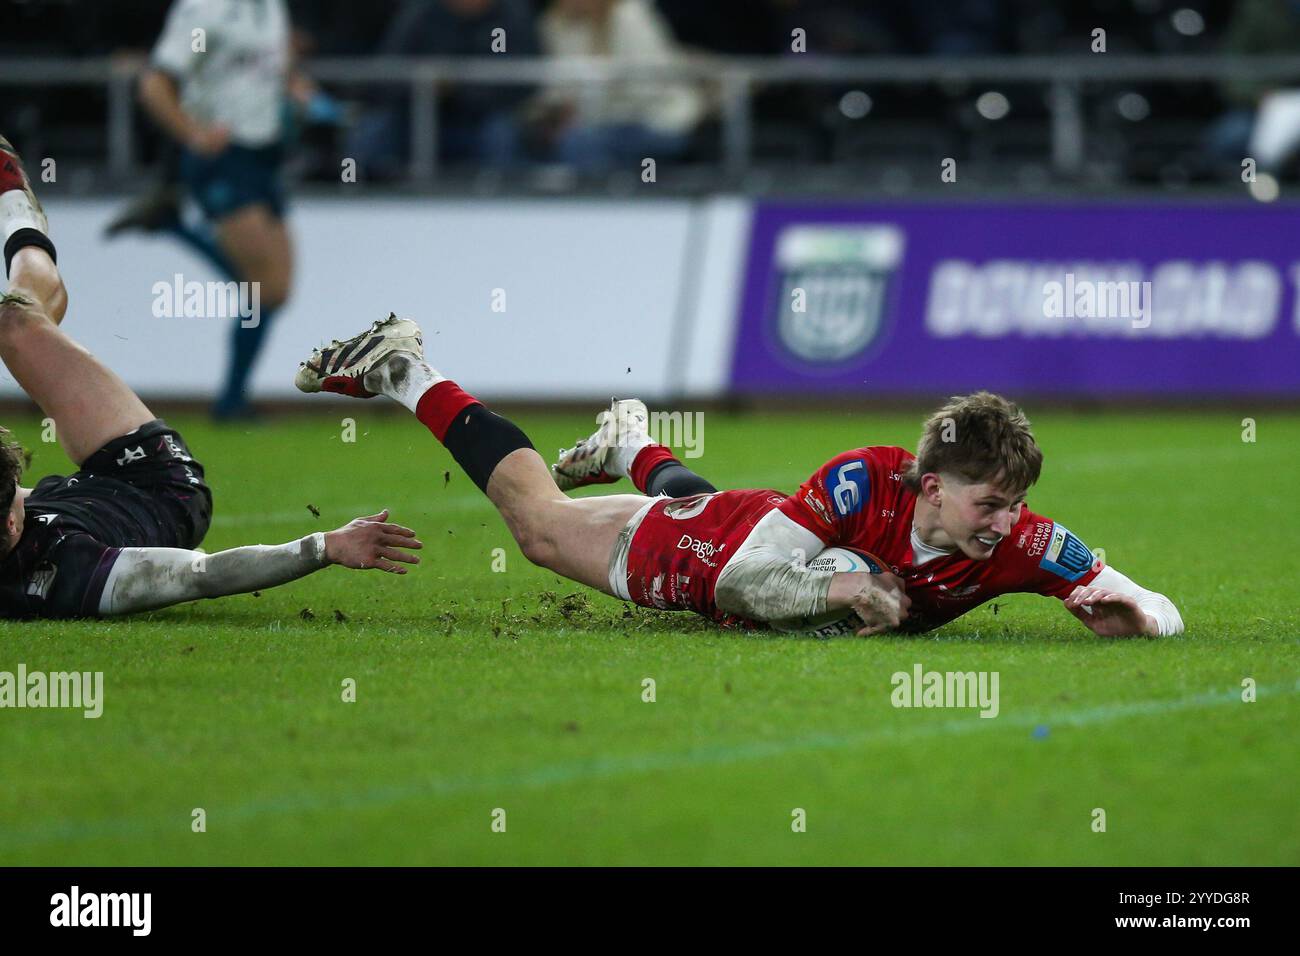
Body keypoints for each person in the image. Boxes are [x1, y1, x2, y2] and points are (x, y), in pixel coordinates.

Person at [294, 314, 1183, 638]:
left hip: (750, 519)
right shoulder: (861, 484)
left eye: (1014, 505)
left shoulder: (1022, 542)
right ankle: (406, 369)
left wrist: (1135, 617)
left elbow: (1157, 606)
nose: (1003, 522)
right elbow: (745, 577)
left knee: (705, 500)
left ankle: (629, 438)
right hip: (717, 551)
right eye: (989, 503)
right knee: (539, 527)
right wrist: (849, 595)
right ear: (930, 486)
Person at [0, 136, 421, 619]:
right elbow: (202, 574)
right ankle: (146, 229)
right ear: (13, 526)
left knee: (16, 325)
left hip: (76, 495)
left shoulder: (35, 543)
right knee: (19, 322)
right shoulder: (72, 576)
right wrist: (325, 546)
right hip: (155, 484)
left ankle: (17, 201)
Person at [122, 0, 299, 420]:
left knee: (274, 290)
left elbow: (274, 71)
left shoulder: (271, 7)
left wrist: (301, 95)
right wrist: (193, 135)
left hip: (263, 157)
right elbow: (154, 84)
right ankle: (232, 402)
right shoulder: (203, 8)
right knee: (263, 288)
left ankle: (172, 224)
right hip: (223, 157)